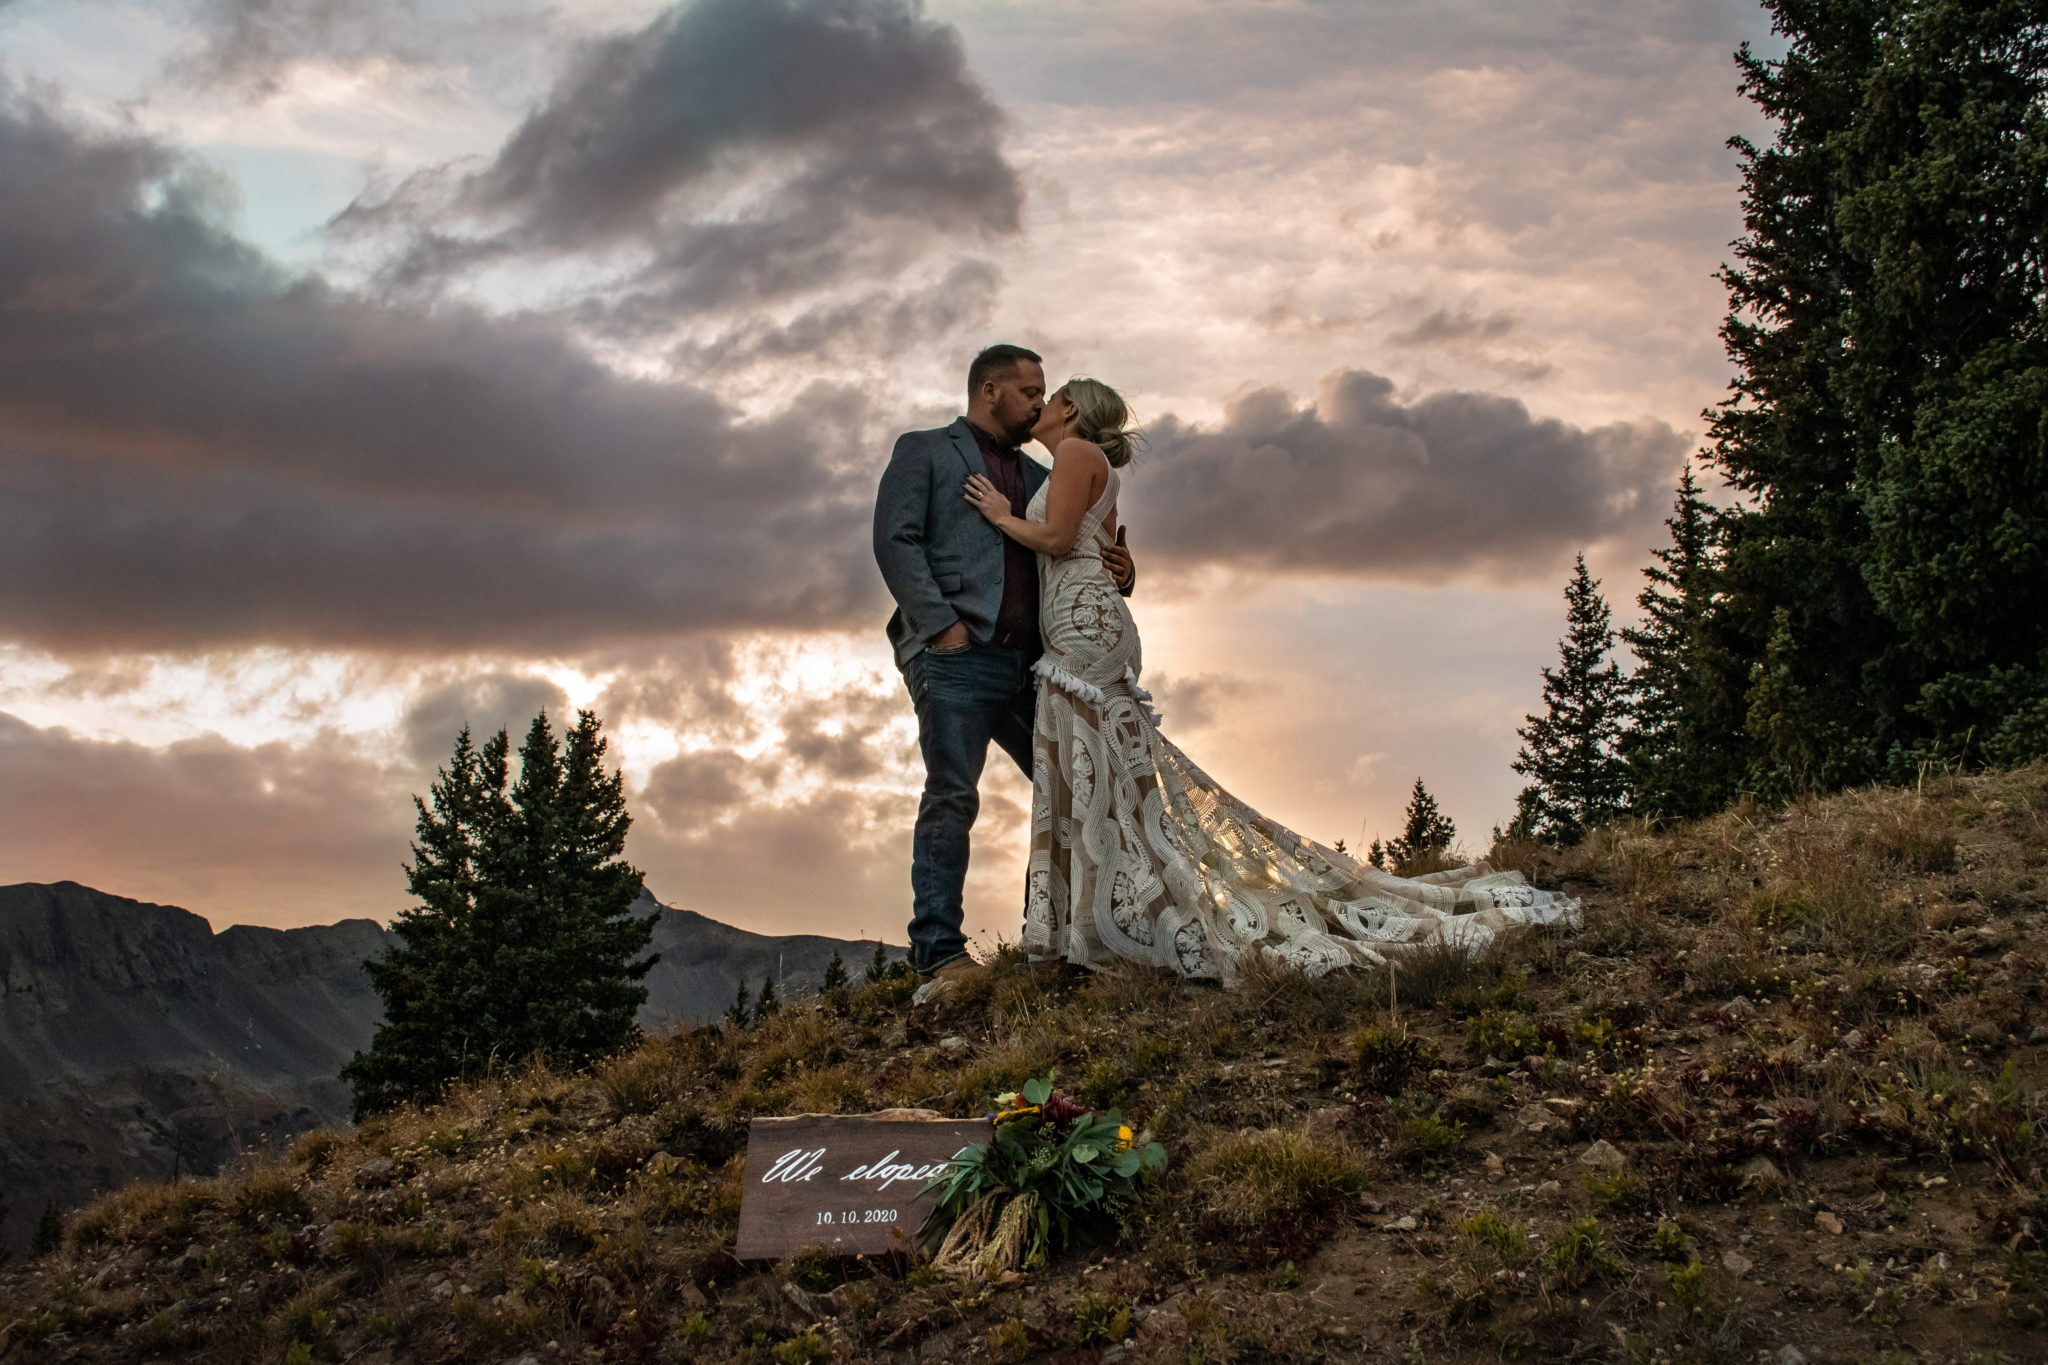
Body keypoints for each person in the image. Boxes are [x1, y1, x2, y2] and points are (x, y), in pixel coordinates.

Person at [962, 376, 1577, 981]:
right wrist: (1123, 572)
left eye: (1050, 394)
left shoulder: (1073, 452)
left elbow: (1058, 537)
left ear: (1069, 409)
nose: (1039, 403)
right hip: (1089, 619)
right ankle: (1107, 923)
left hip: (1082, 630)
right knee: (1105, 773)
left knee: (1095, 768)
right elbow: (1103, 550)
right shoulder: (1086, 461)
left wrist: (998, 513)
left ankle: (1112, 926)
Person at [873, 345, 1136, 982]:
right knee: (953, 795)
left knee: (1064, 792)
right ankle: (938, 952)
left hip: (1036, 664)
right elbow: (894, 539)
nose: (1040, 404)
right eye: (1029, 392)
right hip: (957, 657)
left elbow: (1085, 539)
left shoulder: (1044, 472)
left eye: (1045, 394)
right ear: (989, 391)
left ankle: (1046, 937)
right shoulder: (925, 449)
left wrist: (1126, 571)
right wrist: (944, 630)